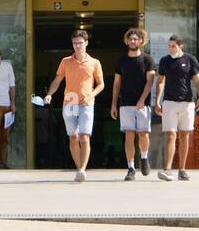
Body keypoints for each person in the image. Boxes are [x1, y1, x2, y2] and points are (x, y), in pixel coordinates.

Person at [43, 29, 105, 183]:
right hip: (69, 101)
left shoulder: (94, 62)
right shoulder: (65, 61)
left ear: (86, 43)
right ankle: (80, 169)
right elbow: (57, 80)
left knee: (84, 137)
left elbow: (101, 84)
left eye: (80, 43)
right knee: (73, 137)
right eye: (75, 43)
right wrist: (50, 94)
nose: (77, 46)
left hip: (86, 103)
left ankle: (82, 169)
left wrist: (91, 94)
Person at [153, 35, 199, 181]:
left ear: (181, 46)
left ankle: (182, 170)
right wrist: (157, 101)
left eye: (173, 46)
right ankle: (167, 170)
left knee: (184, 135)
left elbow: (198, 80)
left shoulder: (190, 59)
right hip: (169, 103)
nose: (170, 48)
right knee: (170, 135)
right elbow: (160, 81)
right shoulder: (164, 61)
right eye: (169, 46)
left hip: (187, 103)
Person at [110, 28, 155, 180]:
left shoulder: (147, 59)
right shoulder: (121, 60)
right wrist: (114, 104)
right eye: (131, 39)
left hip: (143, 103)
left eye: (136, 39)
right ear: (127, 41)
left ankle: (144, 157)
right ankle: (130, 168)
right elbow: (117, 83)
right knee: (129, 135)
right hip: (125, 103)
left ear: (141, 41)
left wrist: (142, 99)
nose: (133, 41)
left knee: (143, 134)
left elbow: (150, 82)